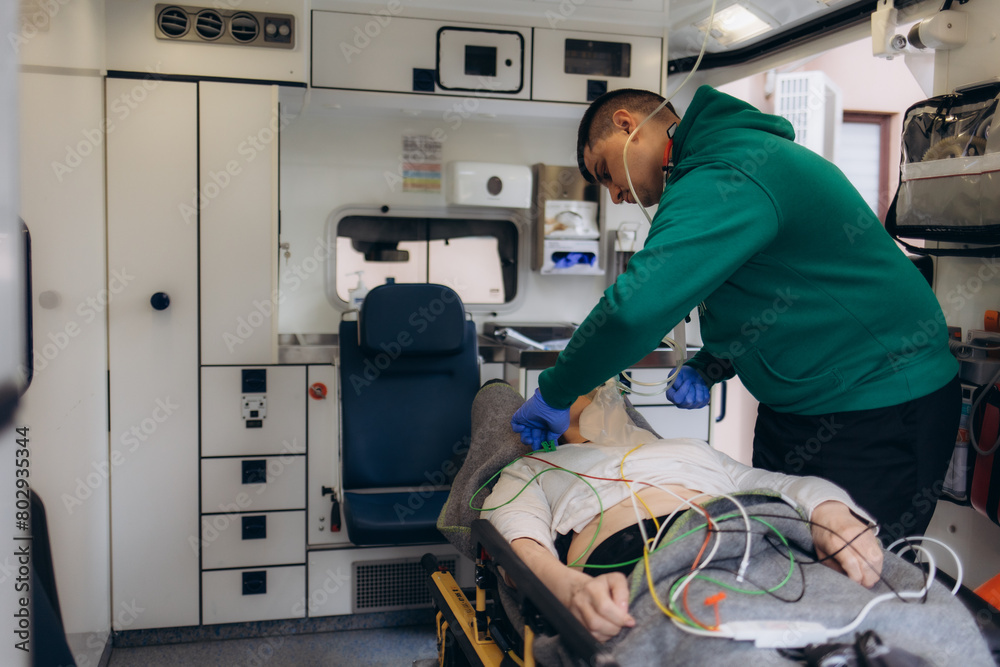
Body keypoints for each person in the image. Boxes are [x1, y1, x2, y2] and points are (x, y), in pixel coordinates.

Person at [510, 85, 961, 543]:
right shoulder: (709, 171)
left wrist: (557, 391)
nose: (615, 195)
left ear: (627, 125)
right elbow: (762, 292)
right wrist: (712, 362)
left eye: (606, 173)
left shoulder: (729, 168)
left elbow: (633, 310)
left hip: (877, 403)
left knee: (854, 565)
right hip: (799, 410)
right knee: (779, 555)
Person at [489, 388, 883, 642]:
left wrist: (831, 512)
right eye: (566, 381)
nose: (593, 384)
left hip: (752, 530)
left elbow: (782, 485)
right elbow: (517, 537)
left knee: (867, 617)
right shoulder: (535, 467)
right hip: (640, 551)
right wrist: (565, 588)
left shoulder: (692, 448)